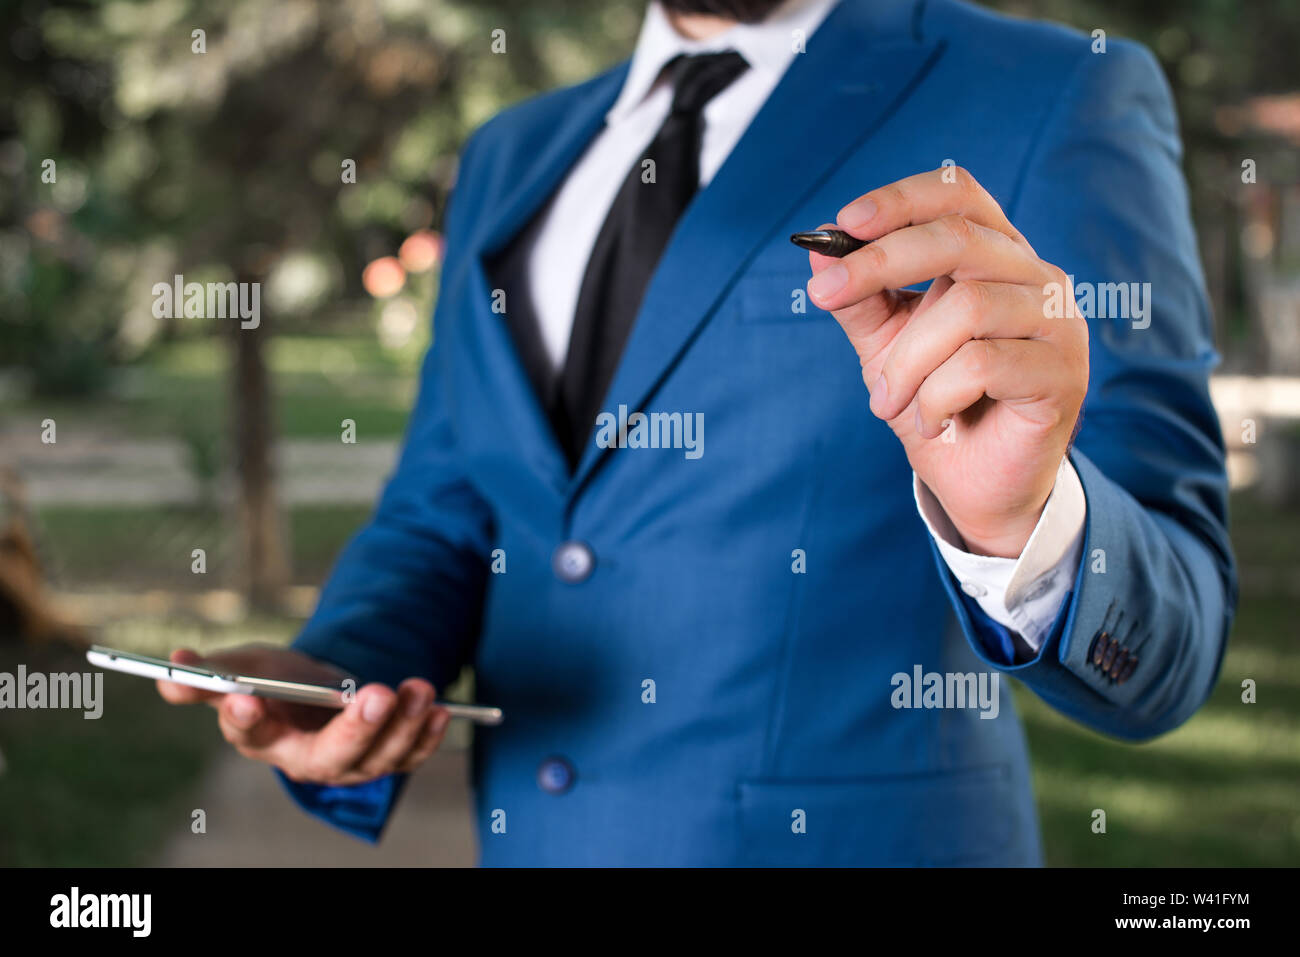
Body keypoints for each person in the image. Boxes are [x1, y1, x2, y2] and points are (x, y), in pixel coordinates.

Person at [159, 0, 1236, 866]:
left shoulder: (1054, 93)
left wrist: (1023, 524)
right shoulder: (509, 154)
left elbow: (1172, 643)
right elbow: (451, 512)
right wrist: (333, 676)